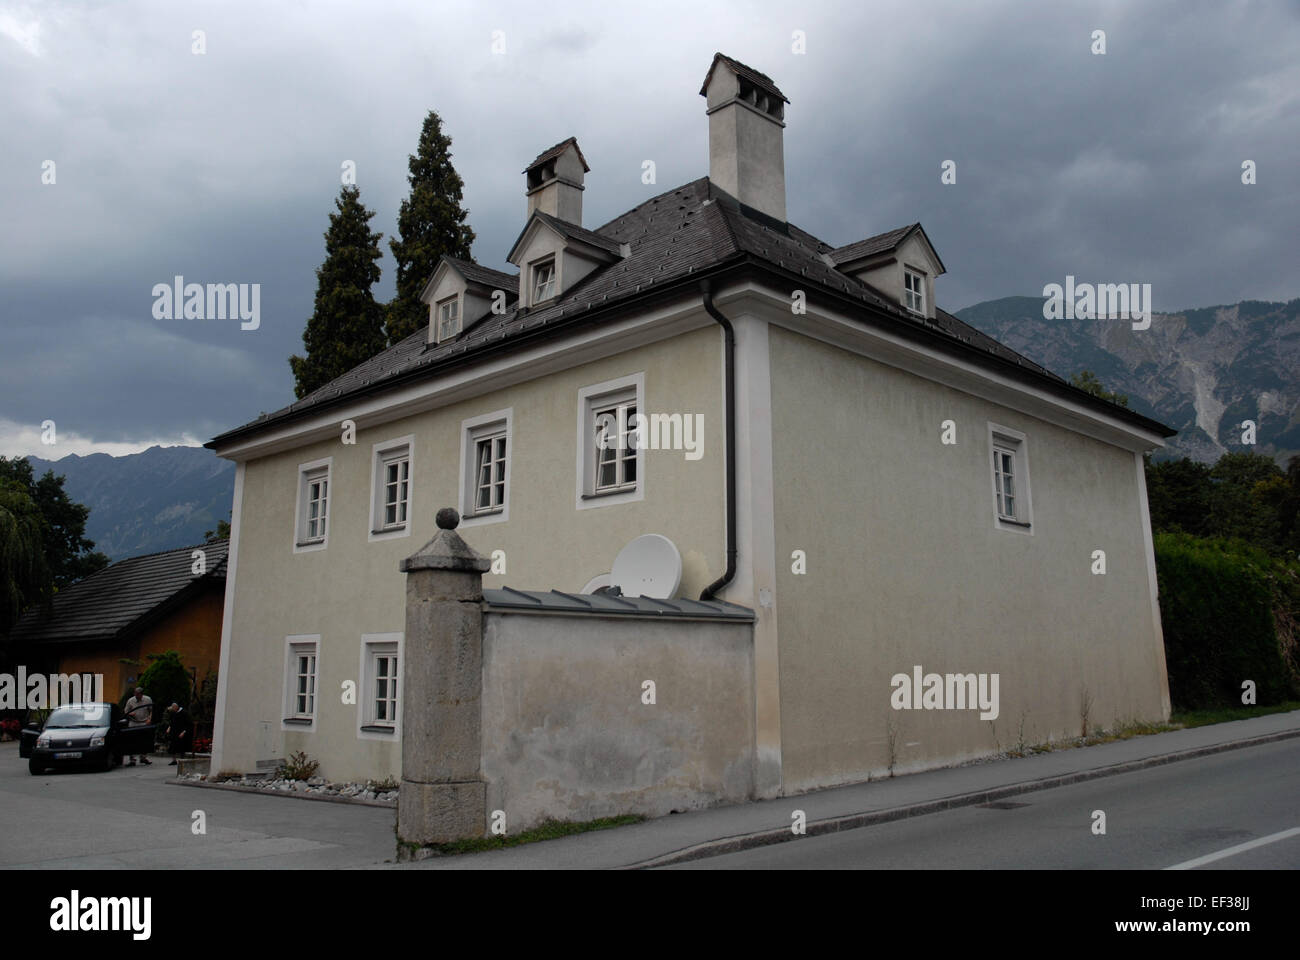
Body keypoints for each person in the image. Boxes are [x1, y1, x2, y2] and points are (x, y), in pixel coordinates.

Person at [123, 686, 153, 766]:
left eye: (138, 694)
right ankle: (132, 759)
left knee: (144, 741)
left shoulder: (147, 699)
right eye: (135, 694)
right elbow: (126, 711)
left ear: (141, 694)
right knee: (132, 741)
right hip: (133, 722)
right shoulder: (131, 700)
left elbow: (151, 710)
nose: (136, 696)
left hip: (144, 722)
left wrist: (149, 719)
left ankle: (143, 758)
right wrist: (130, 713)